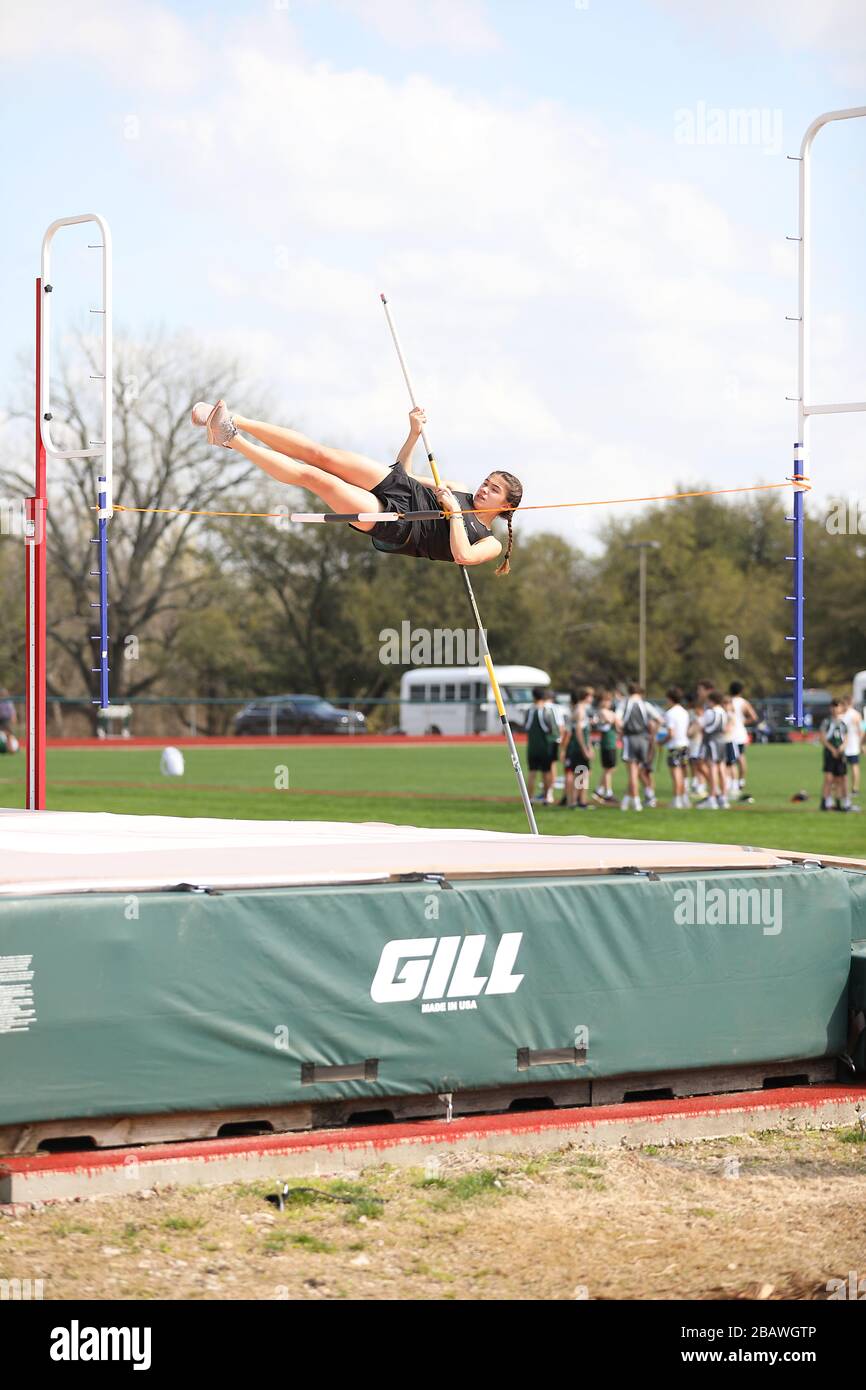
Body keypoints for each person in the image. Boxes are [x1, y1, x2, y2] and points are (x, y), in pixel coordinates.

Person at [193, 401, 521, 573]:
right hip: (400, 488)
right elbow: (403, 472)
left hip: (397, 525)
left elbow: (462, 555)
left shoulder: (489, 542)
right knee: (321, 454)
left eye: (493, 490)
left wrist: (453, 515)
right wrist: (412, 435)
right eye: (486, 483)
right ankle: (234, 419)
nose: (483, 489)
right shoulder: (458, 487)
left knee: (315, 478)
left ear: (505, 506)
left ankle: (231, 439)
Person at [619, 682, 659, 811]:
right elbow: (659, 719)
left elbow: (617, 720)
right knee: (638, 772)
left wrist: (620, 732)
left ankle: (636, 802)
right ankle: (627, 800)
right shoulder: (645, 705)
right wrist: (652, 734)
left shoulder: (625, 703)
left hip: (630, 739)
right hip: (644, 740)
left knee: (632, 772)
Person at [525, 687, 561, 805]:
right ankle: (546, 797)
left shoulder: (529, 711)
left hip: (532, 748)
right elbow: (551, 729)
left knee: (532, 773)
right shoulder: (546, 711)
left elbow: (526, 727)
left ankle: (529, 799)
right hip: (545, 747)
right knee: (546, 772)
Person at [561, 687, 595, 810]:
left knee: (581, 774)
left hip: (578, 748)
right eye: (591, 696)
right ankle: (577, 802)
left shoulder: (581, 710)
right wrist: (585, 749)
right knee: (581, 774)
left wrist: (589, 746)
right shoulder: (580, 710)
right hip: (578, 749)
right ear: (586, 696)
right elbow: (579, 732)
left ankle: (578, 801)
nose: (592, 698)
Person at [696, 689, 728, 810]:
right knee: (721, 769)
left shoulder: (710, 712)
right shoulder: (723, 712)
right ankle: (723, 798)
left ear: (711, 701)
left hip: (711, 741)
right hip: (721, 741)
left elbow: (701, 725)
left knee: (713, 768)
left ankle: (712, 798)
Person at [728, 680, 758, 801]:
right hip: (741, 733)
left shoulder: (728, 701)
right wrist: (743, 722)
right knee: (741, 757)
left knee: (730, 760)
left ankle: (732, 783)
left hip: (731, 733)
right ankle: (741, 780)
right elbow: (754, 717)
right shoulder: (743, 702)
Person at [820, 699, 852, 812]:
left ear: (840, 708)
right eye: (833, 707)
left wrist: (842, 748)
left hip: (840, 754)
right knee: (828, 778)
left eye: (837, 706)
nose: (834, 709)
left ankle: (841, 802)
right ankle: (825, 802)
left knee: (841, 779)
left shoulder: (843, 723)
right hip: (830, 753)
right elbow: (823, 738)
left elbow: (846, 738)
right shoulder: (827, 722)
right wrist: (832, 749)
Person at [663, 686, 690, 808]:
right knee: (683, 773)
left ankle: (677, 799)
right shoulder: (684, 712)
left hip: (674, 746)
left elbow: (670, 733)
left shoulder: (670, 713)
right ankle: (684, 798)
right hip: (685, 744)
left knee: (676, 774)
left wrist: (661, 742)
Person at [593, 689, 620, 804]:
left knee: (611, 768)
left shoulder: (608, 711)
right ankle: (607, 793)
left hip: (612, 742)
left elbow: (619, 723)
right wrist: (615, 716)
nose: (609, 703)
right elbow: (613, 720)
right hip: (607, 743)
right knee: (608, 768)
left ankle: (599, 790)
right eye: (607, 700)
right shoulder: (602, 711)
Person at [842, 695, 864, 802]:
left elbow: (861, 731)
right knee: (854, 767)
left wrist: (862, 744)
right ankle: (854, 789)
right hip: (852, 746)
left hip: (847, 746)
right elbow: (862, 730)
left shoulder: (845, 714)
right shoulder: (856, 714)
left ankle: (851, 788)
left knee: (847, 768)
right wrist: (862, 744)